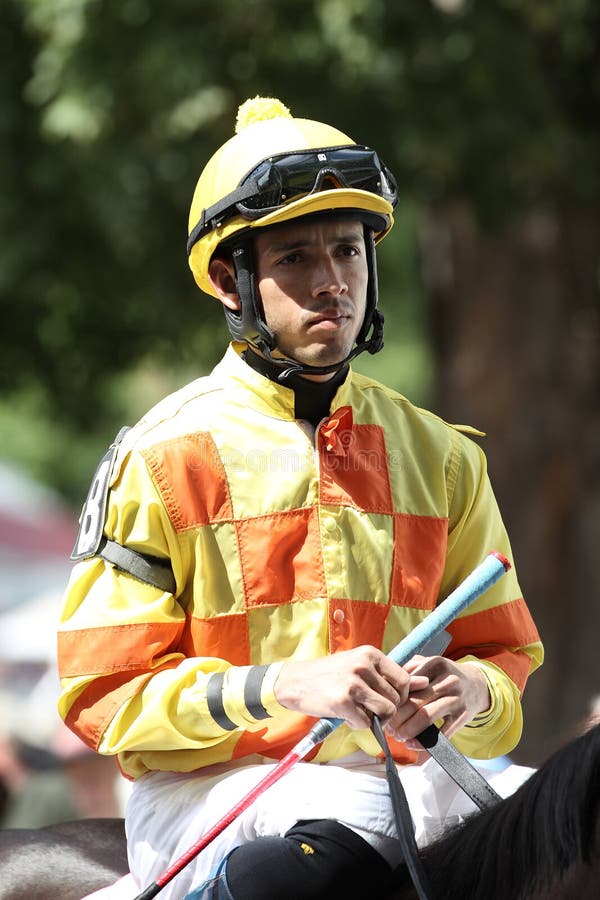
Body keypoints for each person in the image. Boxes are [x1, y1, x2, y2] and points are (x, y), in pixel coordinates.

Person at [57, 97, 543, 899]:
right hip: (219, 795)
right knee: (312, 879)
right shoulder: (158, 456)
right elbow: (101, 698)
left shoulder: (444, 456)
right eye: (295, 260)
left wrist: (471, 692)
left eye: (347, 253)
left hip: (419, 779)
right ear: (228, 279)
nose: (331, 285)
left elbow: (508, 657)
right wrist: (285, 686)